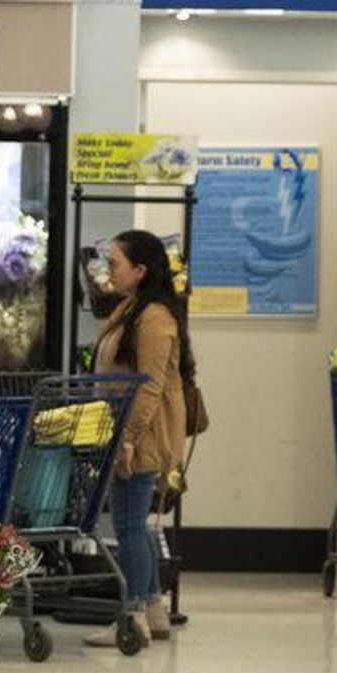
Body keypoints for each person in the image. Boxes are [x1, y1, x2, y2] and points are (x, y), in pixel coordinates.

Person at [83, 229, 190, 649]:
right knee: (135, 525)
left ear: (141, 271)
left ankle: (131, 617)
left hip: (140, 434)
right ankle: (152, 607)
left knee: (128, 526)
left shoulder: (155, 319)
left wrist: (128, 438)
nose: (108, 271)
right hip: (126, 428)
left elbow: (150, 385)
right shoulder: (132, 309)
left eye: (115, 264)